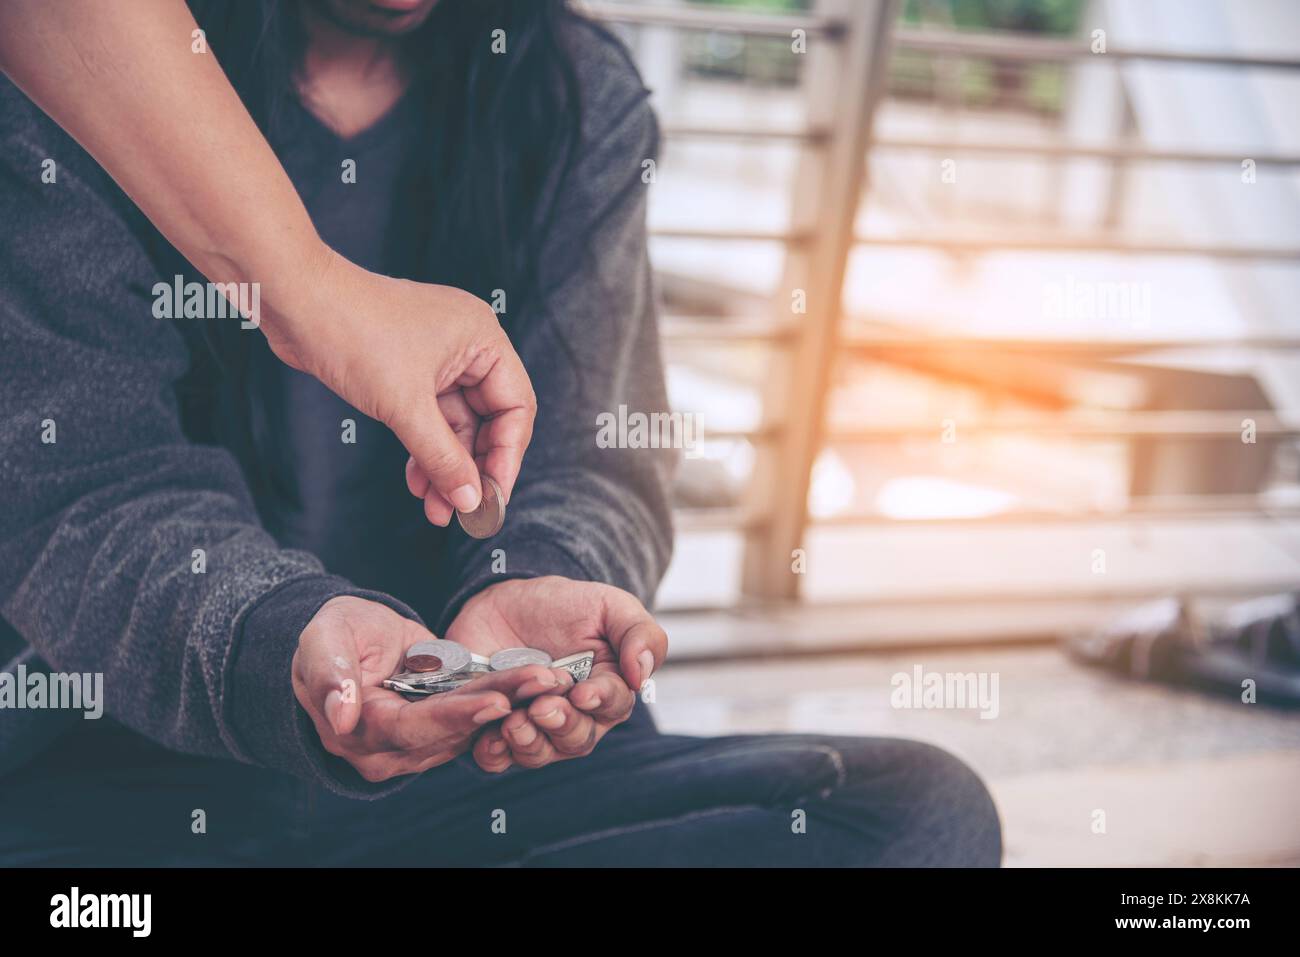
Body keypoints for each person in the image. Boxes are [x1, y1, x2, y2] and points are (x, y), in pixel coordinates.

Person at [0, 0, 1002, 866]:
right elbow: (80, 495)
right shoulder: (71, 81)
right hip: (119, 788)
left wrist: (538, 576)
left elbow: (601, 462)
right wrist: (283, 638)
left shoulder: (572, 92)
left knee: (911, 813)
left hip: (478, 785)